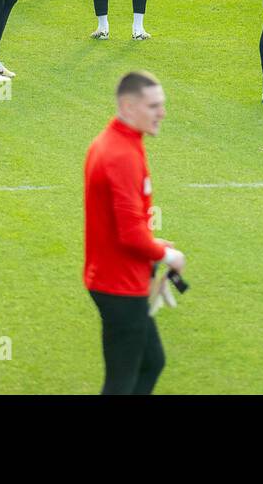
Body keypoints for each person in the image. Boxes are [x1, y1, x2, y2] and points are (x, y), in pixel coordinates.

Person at [83, 71, 186, 395]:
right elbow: (130, 234)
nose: (162, 113)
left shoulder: (117, 141)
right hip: (120, 286)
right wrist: (169, 255)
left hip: (117, 278)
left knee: (150, 363)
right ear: (128, 106)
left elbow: (123, 225)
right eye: (154, 106)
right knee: (121, 382)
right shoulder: (122, 155)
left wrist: (153, 245)